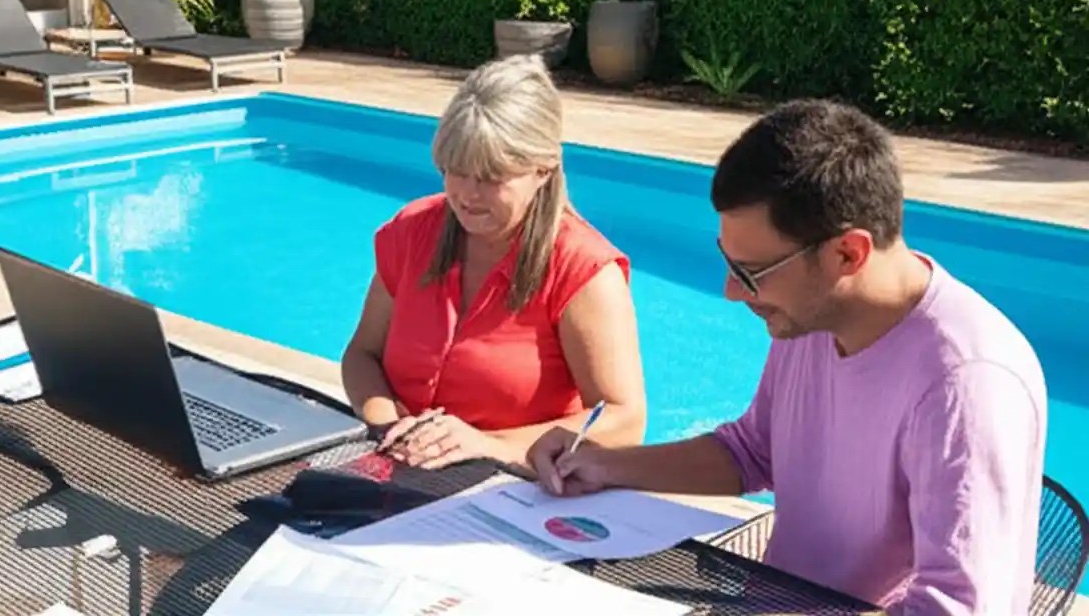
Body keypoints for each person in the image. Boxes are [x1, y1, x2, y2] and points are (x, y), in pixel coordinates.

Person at [528, 99, 1047, 614]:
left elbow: (959, 609)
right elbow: (753, 451)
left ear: (848, 253)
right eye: (728, 262)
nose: (732, 291)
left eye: (751, 272)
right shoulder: (811, 320)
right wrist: (604, 465)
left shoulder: (968, 383)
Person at [341, 54, 647, 472]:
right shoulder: (413, 233)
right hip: (396, 466)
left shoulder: (583, 271)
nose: (467, 194)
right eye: (456, 170)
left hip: (512, 488)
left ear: (543, 170)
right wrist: (391, 427)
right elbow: (362, 354)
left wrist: (488, 444)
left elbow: (623, 420)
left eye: (491, 176)